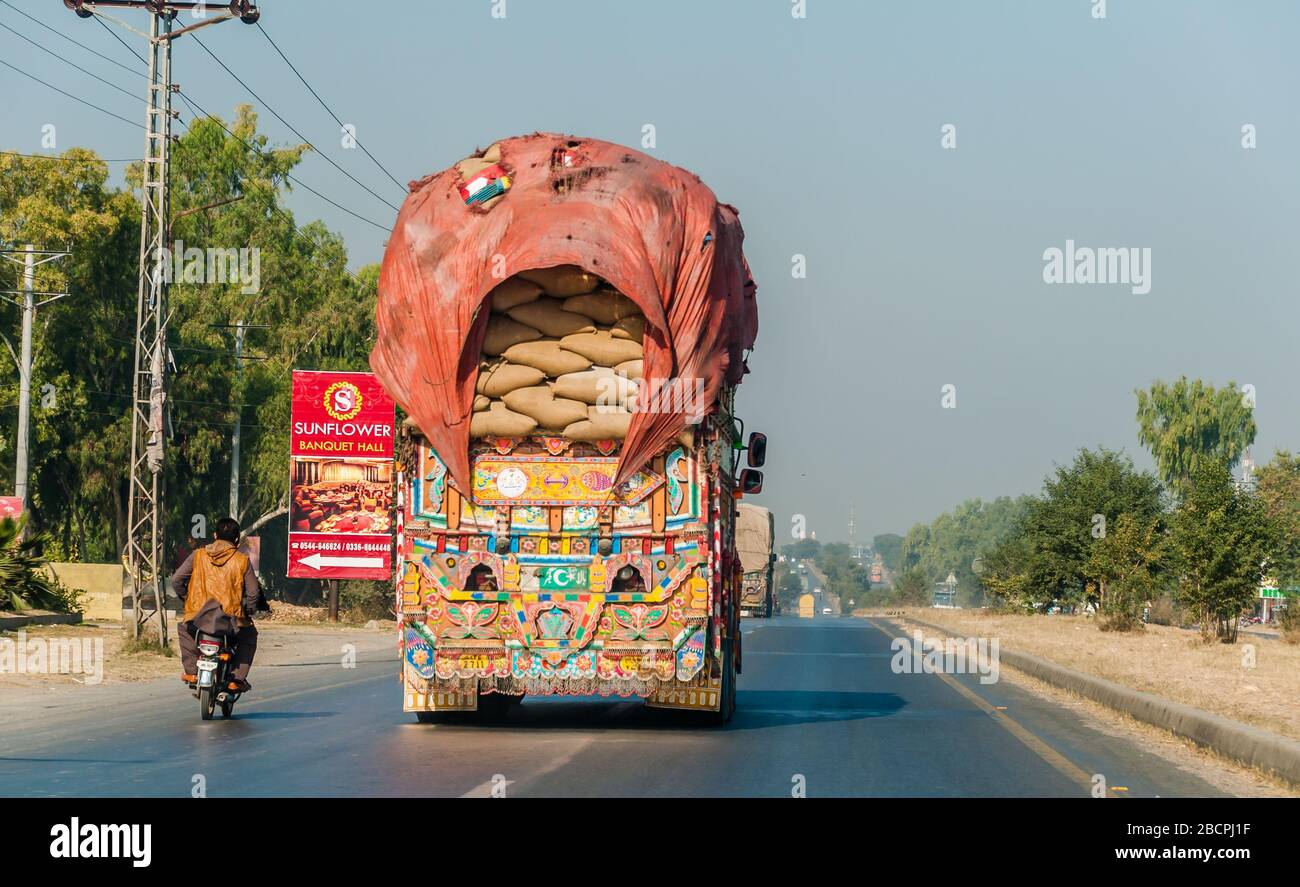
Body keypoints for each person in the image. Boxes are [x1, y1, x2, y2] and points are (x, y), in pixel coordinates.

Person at [171, 517, 262, 693]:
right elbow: (253, 593)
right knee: (249, 636)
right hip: (230, 619)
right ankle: (236, 679)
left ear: (214, 535)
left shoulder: (198, 555)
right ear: (237, 540)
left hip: (198, 617)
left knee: (184, 629)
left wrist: (188, 600)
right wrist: (248, 612)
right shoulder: (242, 561)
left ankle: (191, 672)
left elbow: (176, 581)